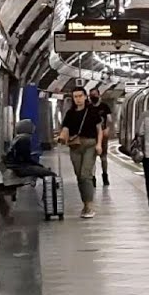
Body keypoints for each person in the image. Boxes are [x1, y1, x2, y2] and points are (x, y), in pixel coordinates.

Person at [58, 87, 102, 218]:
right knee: (79, 176)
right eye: (75, 97)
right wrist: (62, 137)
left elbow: (99, 129)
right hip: (75, 146)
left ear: (85, 97)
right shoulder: (70, 113)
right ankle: (85, 203)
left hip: (90, 144)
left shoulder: (92, 112)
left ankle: (89, 206)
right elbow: (65, 128)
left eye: (80, 96)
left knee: (85, 175)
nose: (77, 99)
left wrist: (99, 144)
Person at [89, 88, 113, 187]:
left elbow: (110, 120)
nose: (92, 97)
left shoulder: (104, 107)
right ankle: (93, 177)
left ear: (99, 95)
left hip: (103, 135)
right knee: (91, 158)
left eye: (94, 94)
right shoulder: (88, 107)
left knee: (103, 157)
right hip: (91, 136)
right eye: (91, 95)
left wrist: (107, 129)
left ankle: (105, 175)